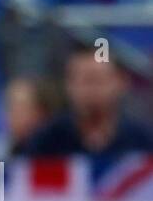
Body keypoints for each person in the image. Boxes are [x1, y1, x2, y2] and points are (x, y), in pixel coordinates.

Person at [22, 46, 153, 161]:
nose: (91, 89)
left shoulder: (142, 141)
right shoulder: (47, 141)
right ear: (68, 84)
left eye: (98, 80)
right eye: (83, 81)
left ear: (121, 82)